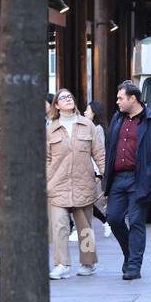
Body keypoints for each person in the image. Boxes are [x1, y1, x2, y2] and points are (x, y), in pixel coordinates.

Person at [102, 80, 151, 280]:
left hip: (139, 179)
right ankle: (128, 253)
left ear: (133, 99)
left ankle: (134, 265)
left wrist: (150, 170)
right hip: (118, 179)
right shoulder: (117, 118)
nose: (117, 102)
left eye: (120, 98)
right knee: (113, 219)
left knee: (136, 221)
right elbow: (110, 146)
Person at [47, 88, 105, 279]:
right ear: (56, 105)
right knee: (60, 227)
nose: (68, 99)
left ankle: (88, 263)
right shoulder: (51, 129)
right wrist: (46, 181)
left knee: (85, 229)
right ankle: (61, 264)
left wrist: (104, 177)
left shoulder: (87, 125)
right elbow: (45, 158)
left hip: (83, 184)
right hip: (57, 185)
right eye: (63, 98)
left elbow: (99, 153)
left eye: (70, 96)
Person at [84, 99, 112, 237]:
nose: (84, 112)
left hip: (93, 172)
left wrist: (98, 174)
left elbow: (99, 152)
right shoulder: (90, 127)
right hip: (88, 170)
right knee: (84, 202)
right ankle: (105, 222)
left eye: (87, 110)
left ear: (94, 113)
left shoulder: (97, 129)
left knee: (85, 202)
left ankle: (81, 230)